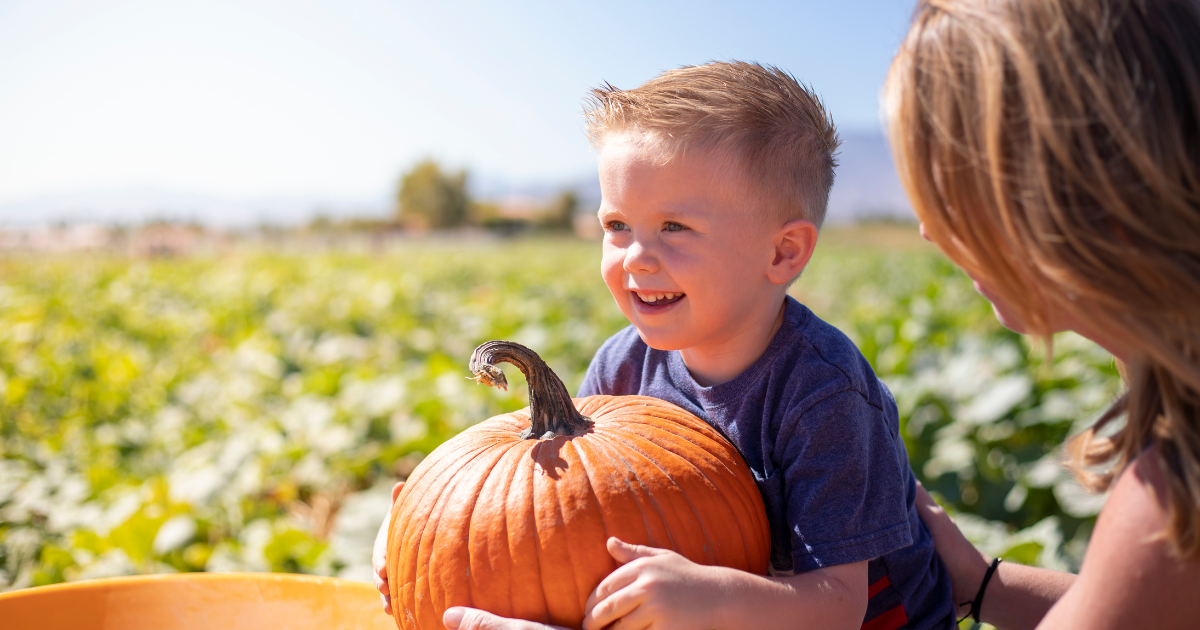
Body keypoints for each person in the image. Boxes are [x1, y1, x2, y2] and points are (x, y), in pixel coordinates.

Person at [373, 61, 956, 629]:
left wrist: (711, 599)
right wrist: (422, 531)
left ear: (782, 253)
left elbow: (838, 607)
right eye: (617, 225)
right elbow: (567, 509)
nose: (635, 257)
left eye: (674, 228)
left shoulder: (823, 395)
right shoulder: (623, 363)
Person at [883, 0, 1200, 628]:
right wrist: (978, 582)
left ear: (1064, 180)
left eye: (951, 188)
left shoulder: (1171, 501)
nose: (926, 229)